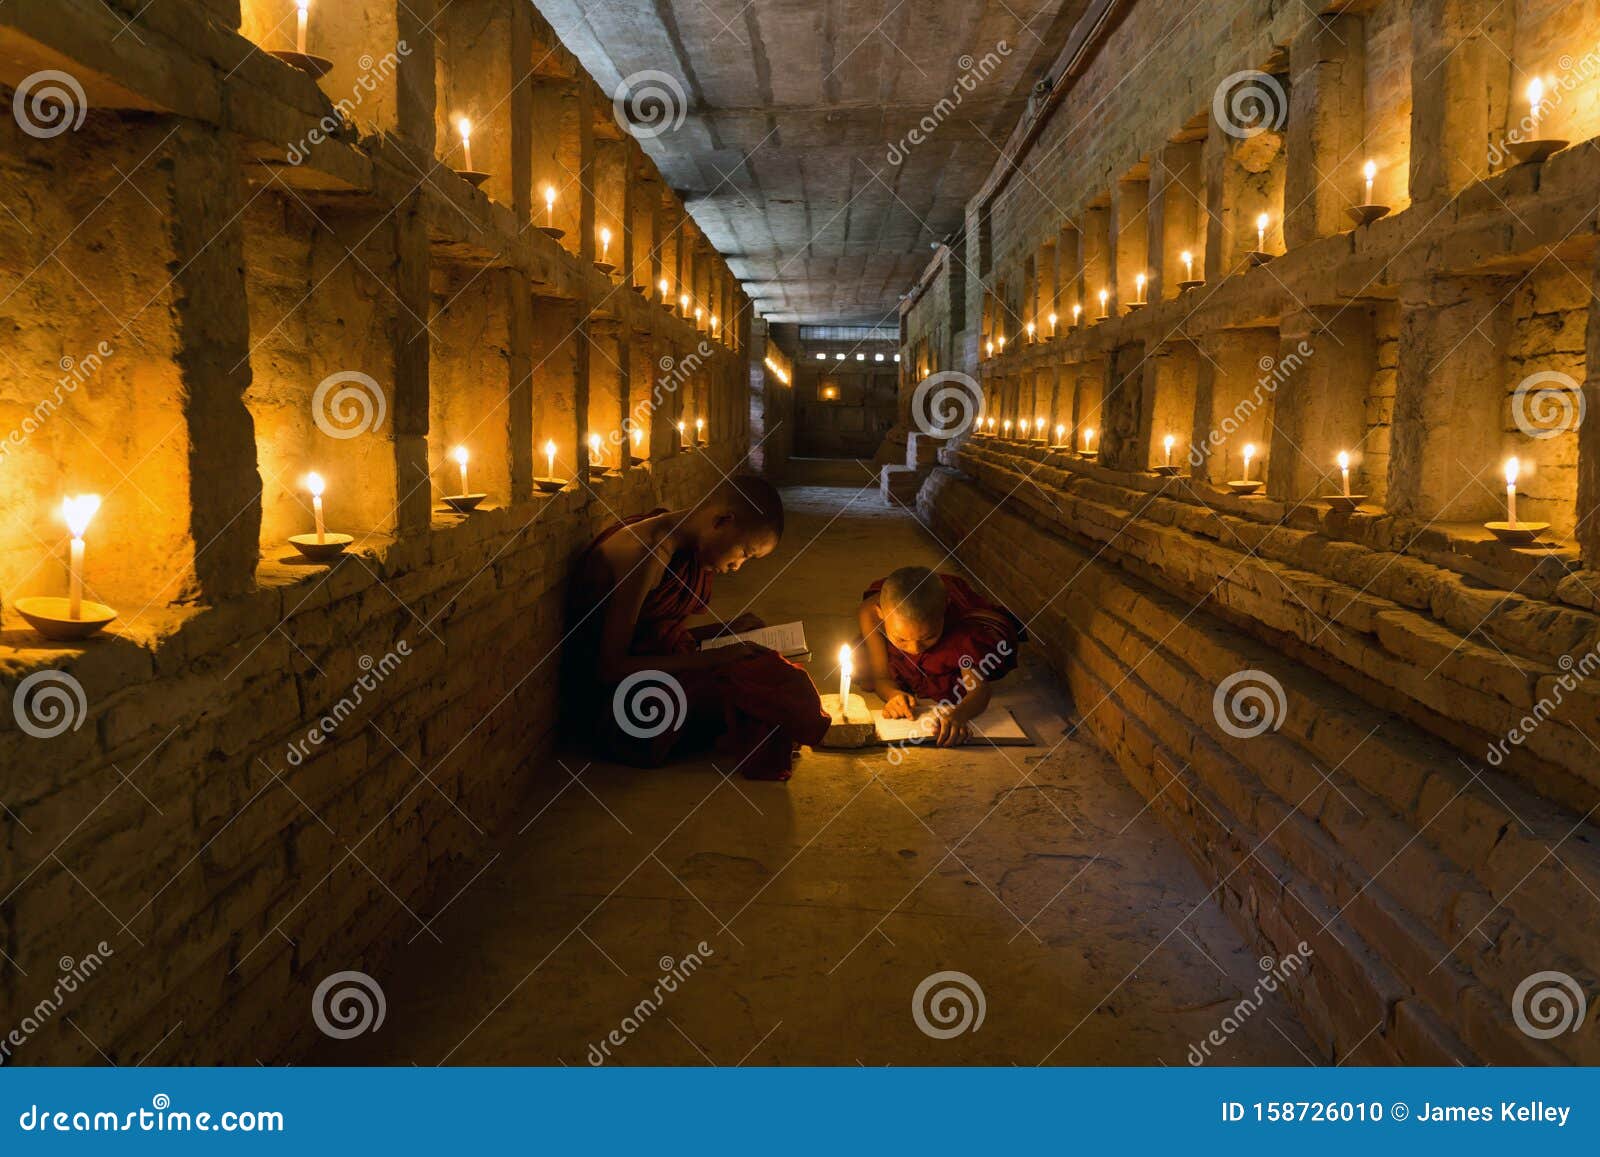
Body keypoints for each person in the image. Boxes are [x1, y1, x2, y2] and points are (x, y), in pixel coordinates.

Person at [570, 475, 828, 780]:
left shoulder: (683, 542)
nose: (737, 566)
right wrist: (713, 659)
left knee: (764, 669)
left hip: (651, 669)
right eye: (744, 553)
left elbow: (658, 635)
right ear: (722, 520)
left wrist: (726, 630)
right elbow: (611, 667)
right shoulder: (648, 554)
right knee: (766, 683)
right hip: (620, 704)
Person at [857, 565, 1025, 747]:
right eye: (901, 639)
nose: (914, 649)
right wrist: (893, 695)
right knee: (860, 660)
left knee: (955, 676)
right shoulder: (870, 614)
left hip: (953, 612)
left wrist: (960, 714)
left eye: (929, 637)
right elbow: (881, 676)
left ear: (945, 611)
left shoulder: (959, 628)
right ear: (880, 613)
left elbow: (978, 690)